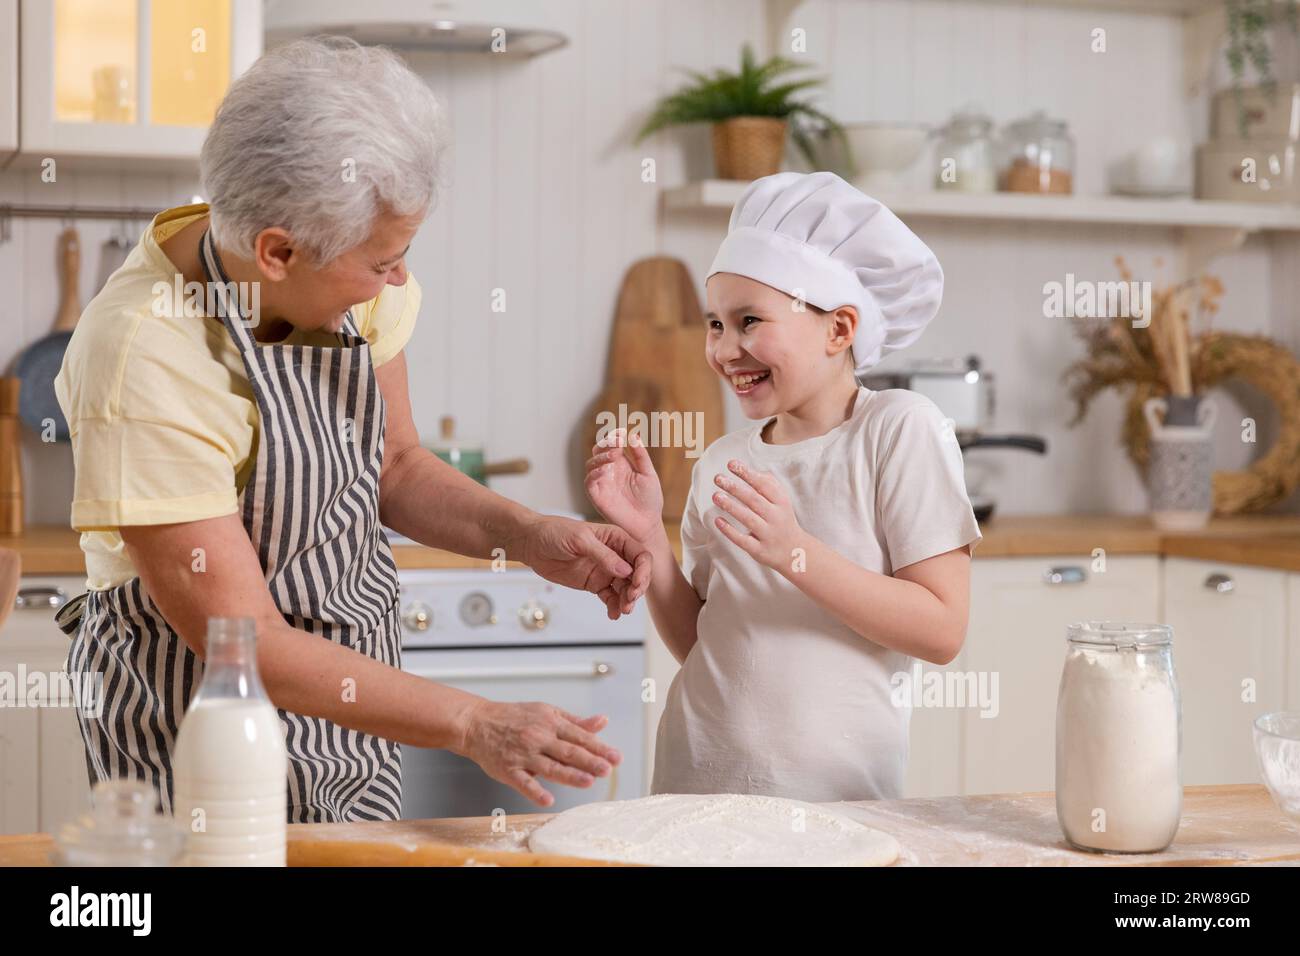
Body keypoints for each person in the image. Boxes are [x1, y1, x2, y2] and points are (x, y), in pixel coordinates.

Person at [53, 37, 649, 823]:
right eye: (382, 263)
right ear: (276, 252)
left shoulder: (344, 272)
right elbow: (244, 638)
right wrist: (473, 721)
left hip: (354, 702)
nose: (398, 280)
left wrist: (533, 535)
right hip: (193, 715)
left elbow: (396, 465)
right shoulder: (143, 355)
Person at [585, 171, 982, 803]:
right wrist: (650, 542)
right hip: (694, 782)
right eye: (714, 325)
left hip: (832, 802)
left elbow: (941, 630)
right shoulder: (721, 460)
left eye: (749, 320)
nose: (725, 349)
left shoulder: (897, 430)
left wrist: (795, 550)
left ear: (839, 328)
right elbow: (702, 640)